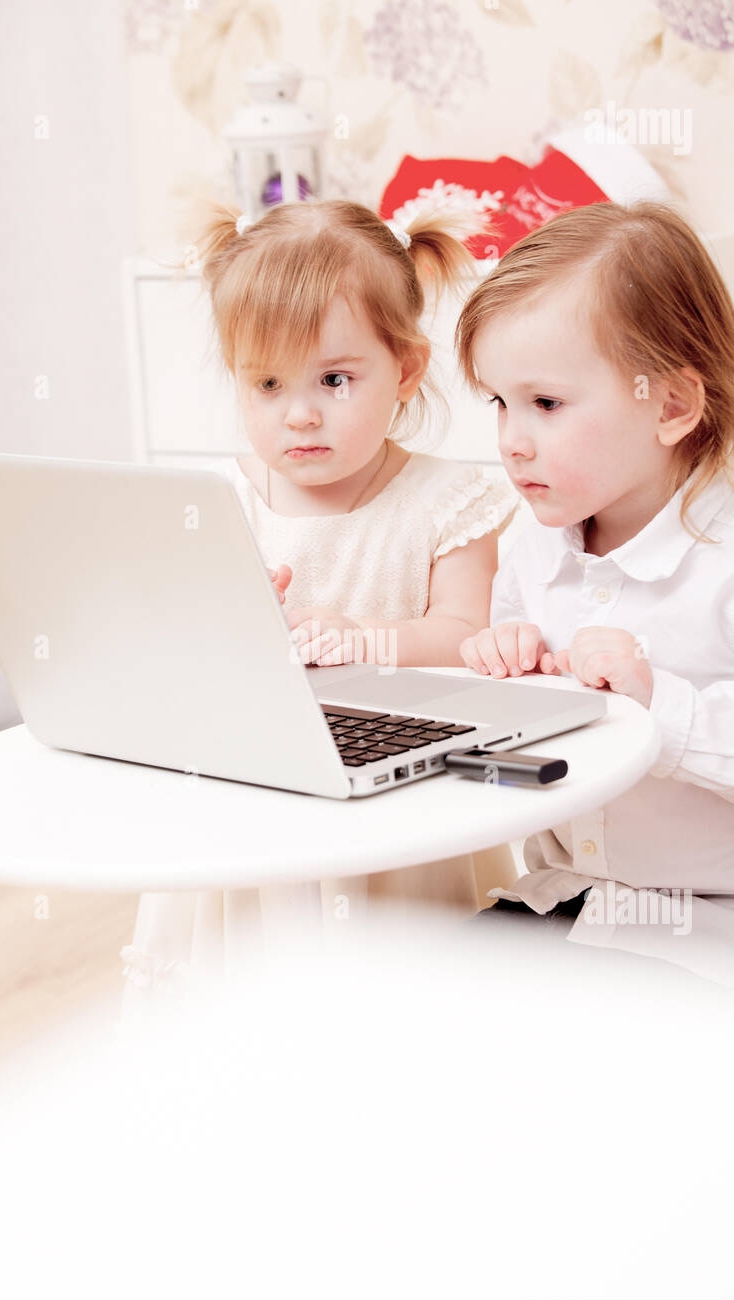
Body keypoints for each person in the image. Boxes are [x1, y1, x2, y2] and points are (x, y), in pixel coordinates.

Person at [121, 198, 519, 1003]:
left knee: (397, 1003)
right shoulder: (222, 500)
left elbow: (465, 636)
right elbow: (175, 654)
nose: (297, 414)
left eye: (334, 380)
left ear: (405, 370)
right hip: (256, 796)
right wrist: (229, 626)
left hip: (398, 796)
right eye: (266, 383)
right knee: (240, 997)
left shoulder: (448, 502)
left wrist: (367, 638)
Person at [455, 199, 734, 992]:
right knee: (420, 1009)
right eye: (500, 402)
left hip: (725, 926)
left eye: (547, 404)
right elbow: (516, 754)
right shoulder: (533, 550)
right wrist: (506, 671)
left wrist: (656, 703)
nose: (512, 440)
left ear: (670, 404)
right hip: (568, 900)